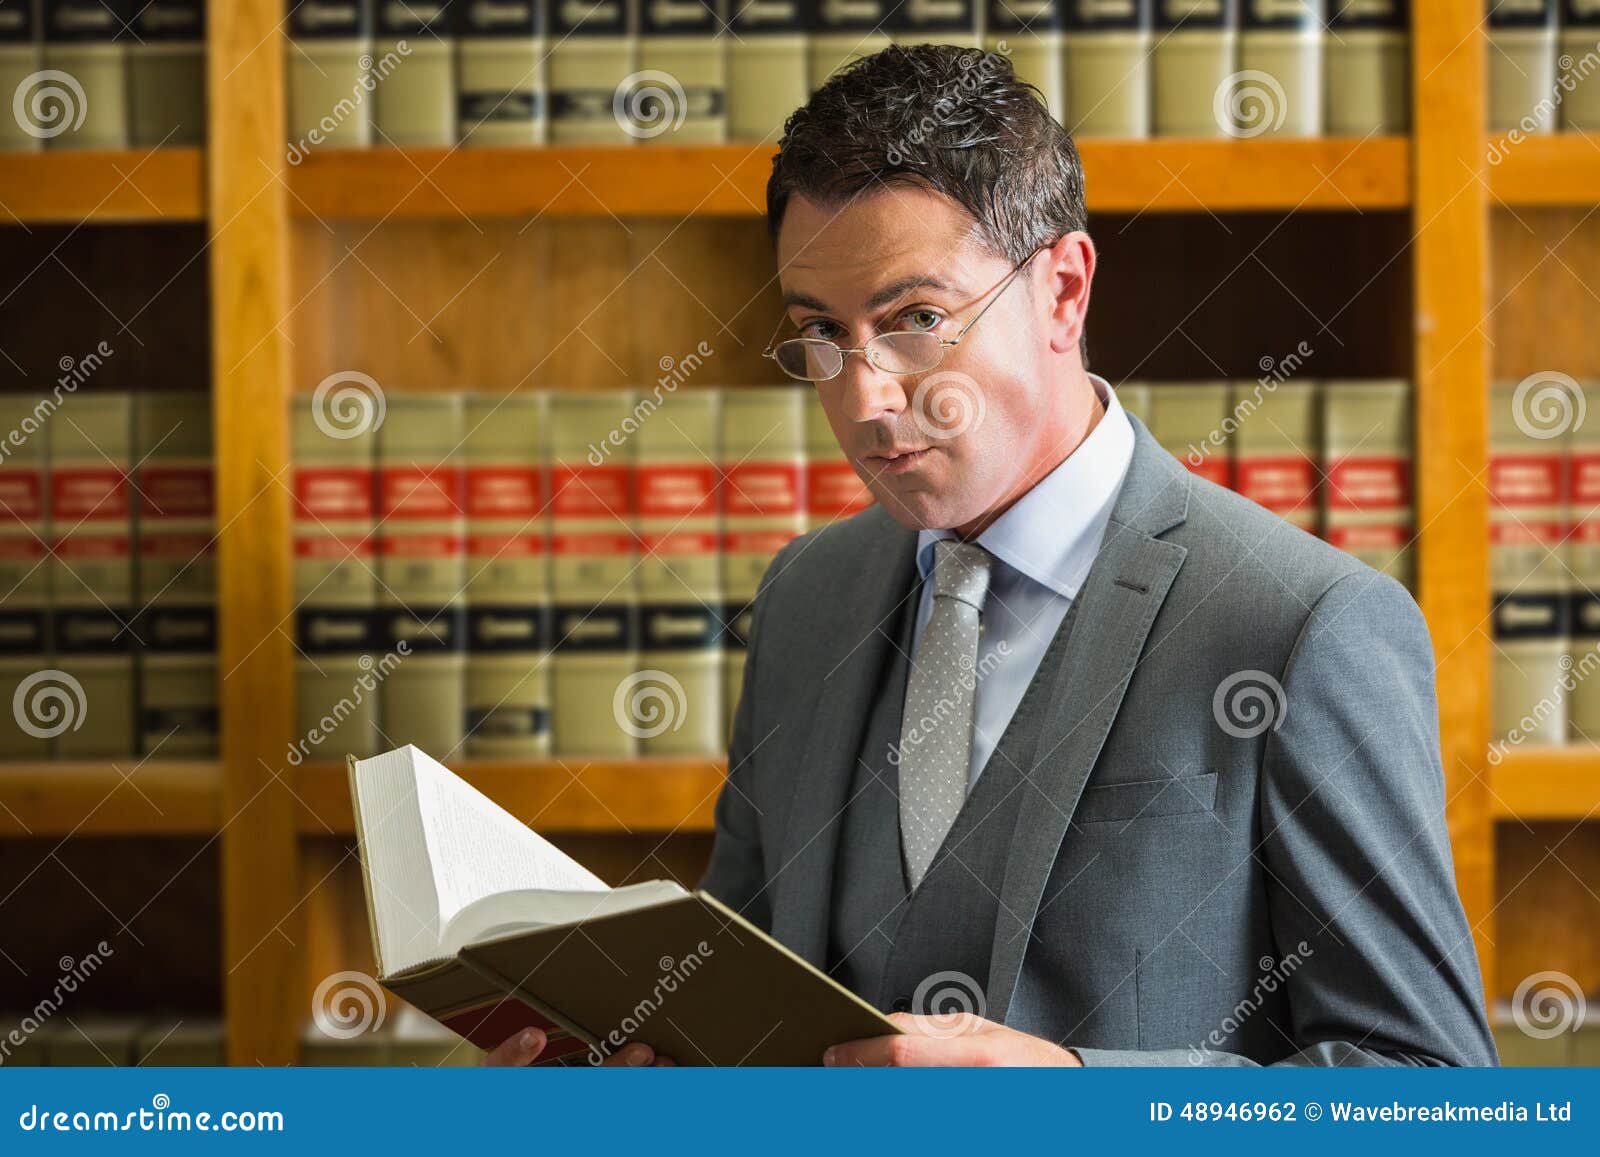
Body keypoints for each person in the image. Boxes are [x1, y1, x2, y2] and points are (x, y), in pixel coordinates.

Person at [487, 43, 1496, 1068]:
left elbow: (1430, 1091)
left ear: (1063, 290)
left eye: (917, 320)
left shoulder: (1301, 625)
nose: (864, 397)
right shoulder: (806, 596)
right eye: (821, 333)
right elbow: (746, 1023)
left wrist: (1075, 1095)